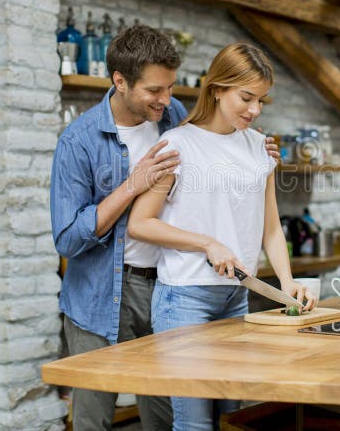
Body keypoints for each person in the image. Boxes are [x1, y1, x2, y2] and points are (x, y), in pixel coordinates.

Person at [50, 26, 278, 430]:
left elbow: (216, 142)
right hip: (104, 290)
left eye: (170, 87)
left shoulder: (171, 120)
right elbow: (67, 238)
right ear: (120, 82)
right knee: (94, 417)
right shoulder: (79, 141)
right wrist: (130, 186)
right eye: (155, 90)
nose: (166, 100)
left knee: (164, 415)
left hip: (170, 287)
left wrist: (254, 149)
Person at [127, 42, 318, 431]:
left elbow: (270, 226)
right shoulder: (179, 145)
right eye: (246, 97)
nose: (254, 109)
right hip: (184, 300)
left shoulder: (259, 147)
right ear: (217, 89)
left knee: (234, 420)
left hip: (236, 296)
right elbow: (141, 223)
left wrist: (286, 282)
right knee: (195, 424)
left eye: (262, 100)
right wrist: (207, 243)